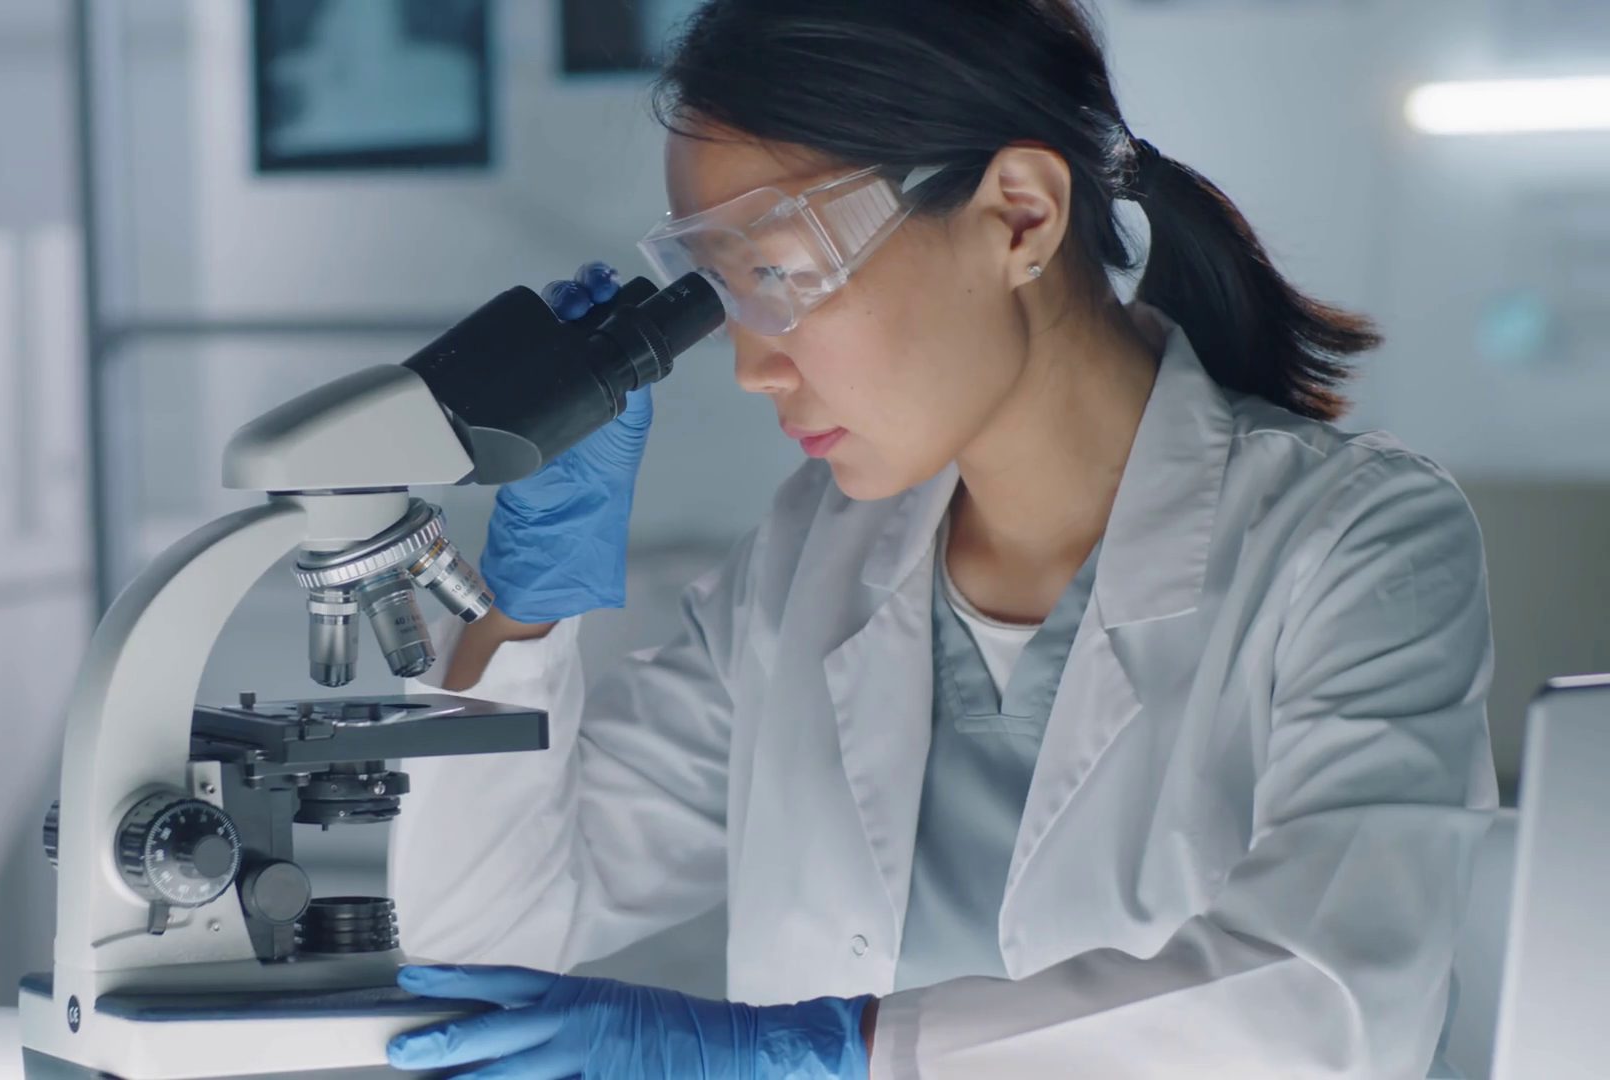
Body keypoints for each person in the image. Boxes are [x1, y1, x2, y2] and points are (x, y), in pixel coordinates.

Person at [383, 1, 1497, 1077]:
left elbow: (1331, 1015)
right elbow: (483, 944)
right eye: (728, 296)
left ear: (1020, 215)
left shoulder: (1352, 542)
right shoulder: (810, 559)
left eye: (781, 273)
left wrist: (820, 1052)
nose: (756, 364)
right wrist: (526, 608)